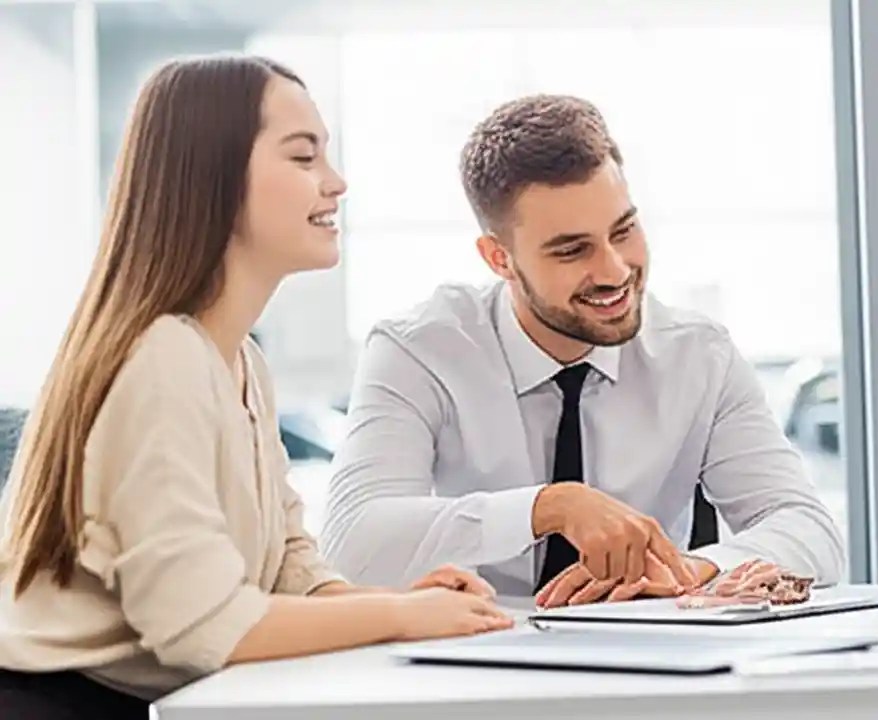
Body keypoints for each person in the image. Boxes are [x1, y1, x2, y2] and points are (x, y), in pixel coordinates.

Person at [0, 55, 511, 720]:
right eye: (303, 159)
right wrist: (399, 615)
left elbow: (285, 567)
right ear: (213, 177)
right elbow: (206, 627)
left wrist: (395, 602)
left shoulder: (236, 359)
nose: (336, 183)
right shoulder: (160, 360)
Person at [321, 94, 845, 606]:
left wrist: (688, 569)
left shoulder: (699, 355)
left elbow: (811, 531)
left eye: (624, 230)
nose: (615, 270)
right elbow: (352, 544)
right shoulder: (419, 350)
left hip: (654, 662)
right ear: (498, 258)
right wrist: (548, 507)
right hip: (478, 655)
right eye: (573, 250)